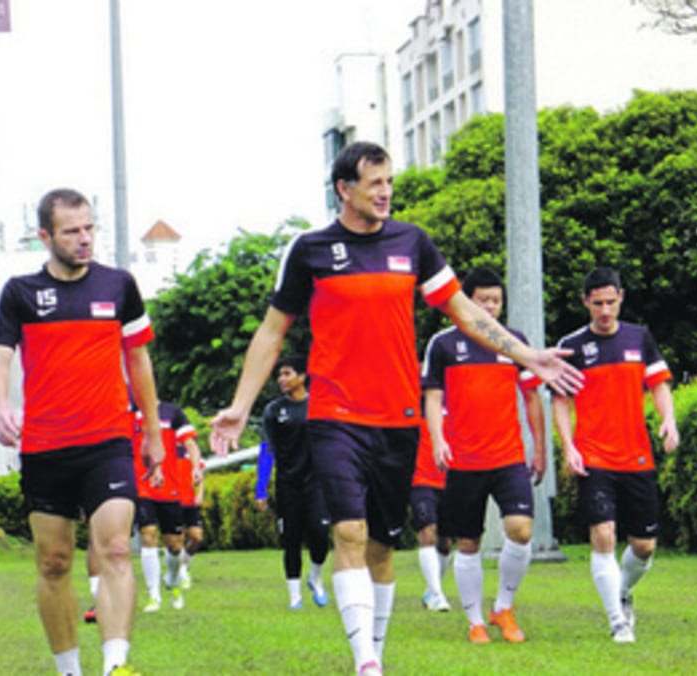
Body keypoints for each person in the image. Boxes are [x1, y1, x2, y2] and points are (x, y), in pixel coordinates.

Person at [210, 141, 582, 676]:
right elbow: (273, 331)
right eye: (375, 183)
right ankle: (366, 662)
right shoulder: (310, 250)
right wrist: (241, 406)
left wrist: (527, 355)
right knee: (350, 532)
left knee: (383, 547)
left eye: (389, 183)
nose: (385, 193)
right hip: (335, 415)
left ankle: (375, 648)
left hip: (398, 419)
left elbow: (463, 312)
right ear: (345, 189)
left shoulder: (413, 243)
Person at [0, 187, 162, 676]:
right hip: (45, 447)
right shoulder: (18, 293)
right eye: (71, 231)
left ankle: (115, 664)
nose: (85, 239)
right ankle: (70, 671)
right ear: (45, 236)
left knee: (117, 548)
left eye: (89, 228)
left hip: (108, 441)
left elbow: (138, 359)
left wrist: (152, 434)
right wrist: (0, 408)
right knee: (55, 563)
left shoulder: (119, 285)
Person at [552, 267, 679, 644]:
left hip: (637, 456)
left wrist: (669, 420)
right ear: (585, 303)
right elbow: (560, 401)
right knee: (603, 534)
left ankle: (621, 592)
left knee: (644, 546)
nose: (605, 310)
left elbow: (659, 385)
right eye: (597, 303)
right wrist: (569, 445)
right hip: (594, 456)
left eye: (611, 302)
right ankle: (617, 621)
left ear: (621, 297)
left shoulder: (640, 338)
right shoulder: (571, 345)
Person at [422, 268, 546, 645]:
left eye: (496, 300)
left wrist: (540, 448)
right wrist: (438, 440)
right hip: (464, 460)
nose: (490, 307)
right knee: (468, 542)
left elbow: (531, 396)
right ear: (467, 301)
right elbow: (433, 397)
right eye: (482, 300)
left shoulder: (515, 343)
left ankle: (503, 608)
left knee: (521, 530)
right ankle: (475, 620)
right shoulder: (443, 344)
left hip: (508, 456)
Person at [256, 355, 331, 610]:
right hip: (288, 484)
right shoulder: (274, 411)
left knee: (320, 534)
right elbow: (267, 450)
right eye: (279, 375)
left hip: (317, 482)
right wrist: (261, 488)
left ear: (302, 377)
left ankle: (315, 577)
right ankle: (295, 596)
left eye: (287, 373)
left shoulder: (320, 406)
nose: (281, 379)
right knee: (291, 539)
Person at [132, 400, 197, 613]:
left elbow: (190, 444)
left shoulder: (172, 412)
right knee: (148, 533)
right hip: (142, 484)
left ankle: (172, 579)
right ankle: (154, 596)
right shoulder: (129, 411)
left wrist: (196, 467)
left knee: (175, 545)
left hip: (170, 486)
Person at [409, 411, 452, 613]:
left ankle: (433, 588)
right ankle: (436, 595)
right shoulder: (415, 401)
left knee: (445, 541)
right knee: (427, 531)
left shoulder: (454, 398)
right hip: (421, 479)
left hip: (450, 479)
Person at [177, 424, 205, 591]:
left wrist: (200, 493)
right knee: (177, 538)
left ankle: (184, 564)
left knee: (196, 537)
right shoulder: (168, 450)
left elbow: (201, 475)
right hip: (173, 500)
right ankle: (181, 572)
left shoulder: (192, 454)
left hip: (190, 500)